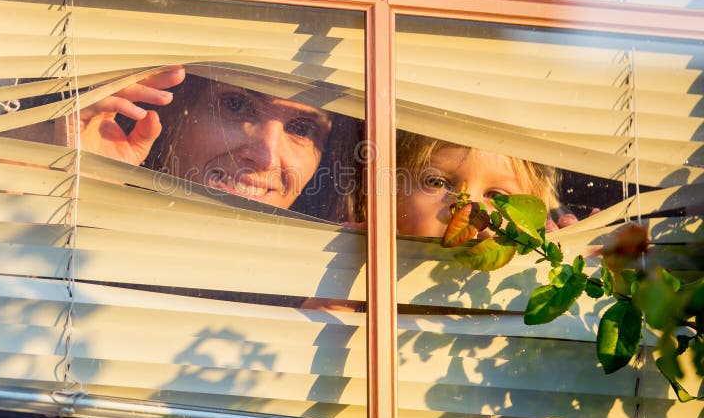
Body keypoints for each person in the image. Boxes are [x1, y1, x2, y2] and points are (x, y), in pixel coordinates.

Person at [75, 65, 362, 223]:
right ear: (174, 110)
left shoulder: (329, 302)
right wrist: (76, 193)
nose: (266, 157)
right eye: (236, 105)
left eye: (302, 128)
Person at [395, 130, 570, 238]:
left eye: (496, 196)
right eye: (437, 182)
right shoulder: (371, 285)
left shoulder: (526, 287)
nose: (468, 210)